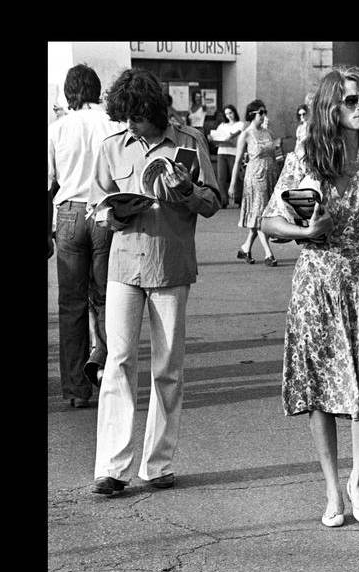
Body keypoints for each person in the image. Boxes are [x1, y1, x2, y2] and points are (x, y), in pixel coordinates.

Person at [261, 67, 359, 528]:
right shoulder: (305, 160)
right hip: (315, 284)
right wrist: (306, 230)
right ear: (330, 108)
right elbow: (269, 221)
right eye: (350, 100)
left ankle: (358, 479)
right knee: (322, 389)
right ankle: (331, 487)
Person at [89, 68, 222, 495]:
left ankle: (158, 463)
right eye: (123, 117)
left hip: (170, 265)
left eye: (137, 117)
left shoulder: (188, 142)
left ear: (154, 111)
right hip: (124, 266)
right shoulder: (112, 147)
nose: (130, 124)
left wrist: (186, 192)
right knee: (119, 362)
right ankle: (111, 467)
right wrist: (112, 213)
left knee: (168, 368)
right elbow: (98, 205)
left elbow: (214, 202)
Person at [47, 64, 125, 408]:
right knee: (108, 299)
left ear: (68, 92)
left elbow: (49, 182)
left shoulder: (57, 129)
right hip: (104, 212)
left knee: (71, 305)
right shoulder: (113, 125)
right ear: (96, 90)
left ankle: (76, 389)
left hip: (69, 214)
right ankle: (110, 375)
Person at [229, 100, 280, 266]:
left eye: (265, 111)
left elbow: (275, 155)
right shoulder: (246, 134)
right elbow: (237, 161)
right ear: (252, 115)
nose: (264, 115)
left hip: (270, 175)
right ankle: (268, 254)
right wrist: (231, 184)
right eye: (261, 112)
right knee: (259, 214)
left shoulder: (268, 132)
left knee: (263, 213)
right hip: (254, 178)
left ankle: (245, 248)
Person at [208, 104, 245, 208]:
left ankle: (238, 199)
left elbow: (238, 133)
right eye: (227, 114)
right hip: (222, 152)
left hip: (234, 152)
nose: (229, 115)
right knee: (221, 177)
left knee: (236, 176)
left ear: (234, 112)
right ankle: (223, 200)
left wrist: (231, 136)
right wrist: (212, 138)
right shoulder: (222, 126)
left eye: (231, 113)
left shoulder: (240, 124)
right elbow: (217, 137)